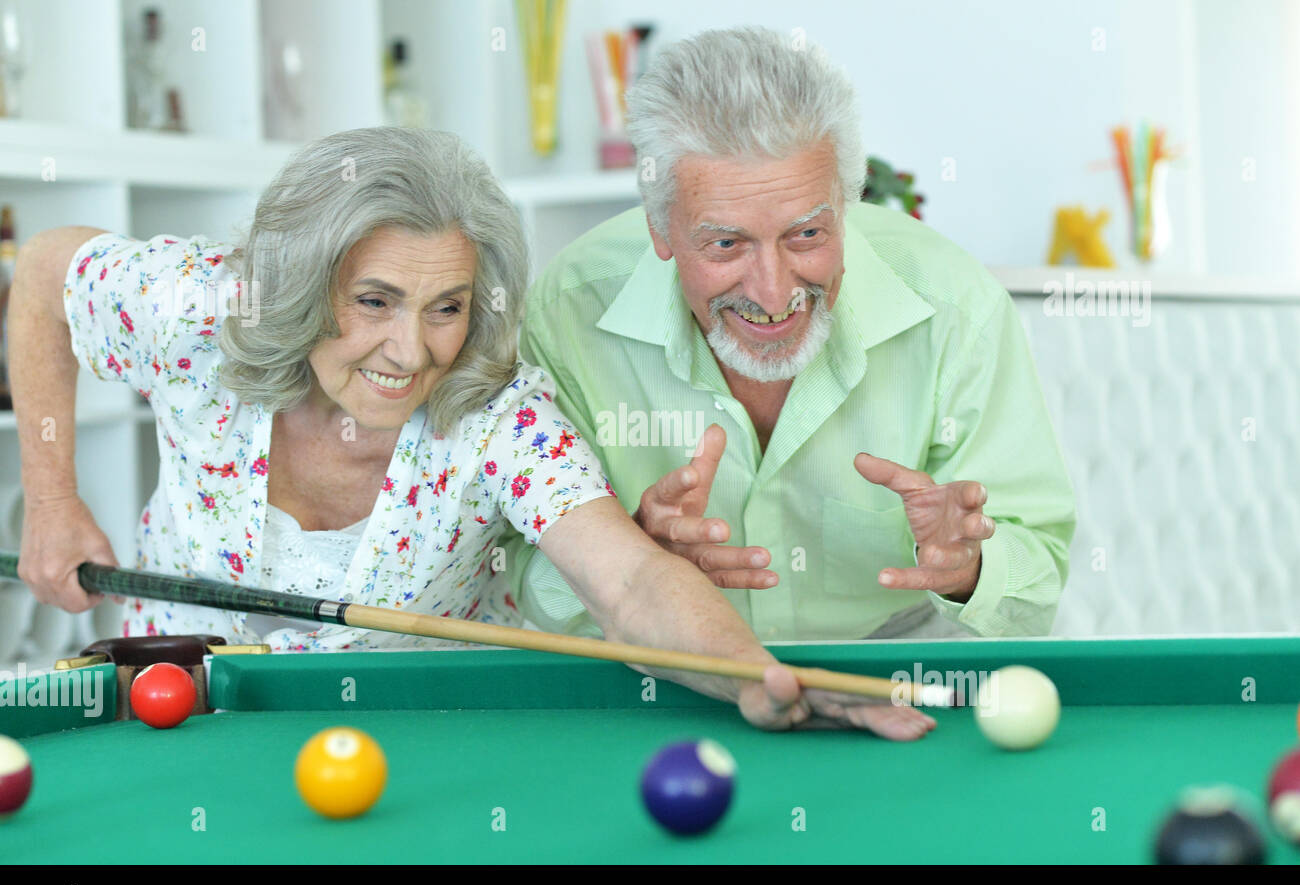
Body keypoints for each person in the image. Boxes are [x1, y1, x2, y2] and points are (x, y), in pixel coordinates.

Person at [8, 127, 934, 738]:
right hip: (170, 706)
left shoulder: (499, 415)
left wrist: (755, 675)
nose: (411, 351)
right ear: (300, 286)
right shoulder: (209, 309)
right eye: (374, 301)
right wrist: (51, 499)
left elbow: (631, 576)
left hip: (419, 752)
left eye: (445, 306)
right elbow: (46, 270)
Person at [507, 27, 1077, 641]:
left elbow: (1037, 578)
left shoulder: (957, 306)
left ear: (845, 202)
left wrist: (969, 568)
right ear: (661, 230)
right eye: (726, 244)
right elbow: (520, 577)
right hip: (666, 669)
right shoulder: (568, 311)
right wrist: (625, 560)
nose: (773, 293)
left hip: (894, 666)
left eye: (806, 235)